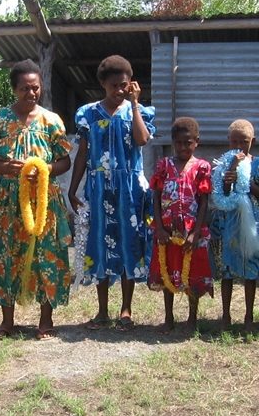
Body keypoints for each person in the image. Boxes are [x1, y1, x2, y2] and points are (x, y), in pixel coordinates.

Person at [0, 59, 73, 340]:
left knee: (47, 255)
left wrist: (43, 171)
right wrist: (5, 168)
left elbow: (64, 161)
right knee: (6, 255)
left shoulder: (51, 121)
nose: (30, 94)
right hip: (7, 200)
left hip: (43, 200)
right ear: (14, 89)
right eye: (24, 89)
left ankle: (46, 321)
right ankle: (7, 322)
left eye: (35, 88)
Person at [68, 55, 155, 332]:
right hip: (98, 188)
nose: (119, 90)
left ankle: (126, 309)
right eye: (114, 85)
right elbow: (82, 152)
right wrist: (73, 187)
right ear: (102, 84)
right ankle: (102, 310)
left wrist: (135, 104)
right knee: (100, 244)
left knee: (130, 244)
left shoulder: (137, 111)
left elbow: (142, 140)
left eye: (125, 85)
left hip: (129, 189)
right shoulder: (88, 114)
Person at [148, 117, 213, 333]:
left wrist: (195, 233)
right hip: (167, 230)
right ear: (173, 142)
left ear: (197, 142)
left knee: (192, 272)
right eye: (179, 142)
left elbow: (204, 201)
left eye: (188, 143)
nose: (183, 147)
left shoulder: (202, 167)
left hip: (191, 231)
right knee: (168, 267)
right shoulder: (164, 165)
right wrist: (159, 227)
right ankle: (169, 317)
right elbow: (156, 197)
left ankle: (192, 318)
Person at [209, 119, 259, 332]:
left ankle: (249, 316)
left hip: (251, 221)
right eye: (234, 141)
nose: (238, 146)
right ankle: (225, 315)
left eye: (243, 141)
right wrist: (229, 177)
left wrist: (247, 182)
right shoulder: (223, 164)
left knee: (250, 270)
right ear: (228, 141)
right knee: (226, 270)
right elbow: (221, 193)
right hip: (228, 222)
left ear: (252, 141)